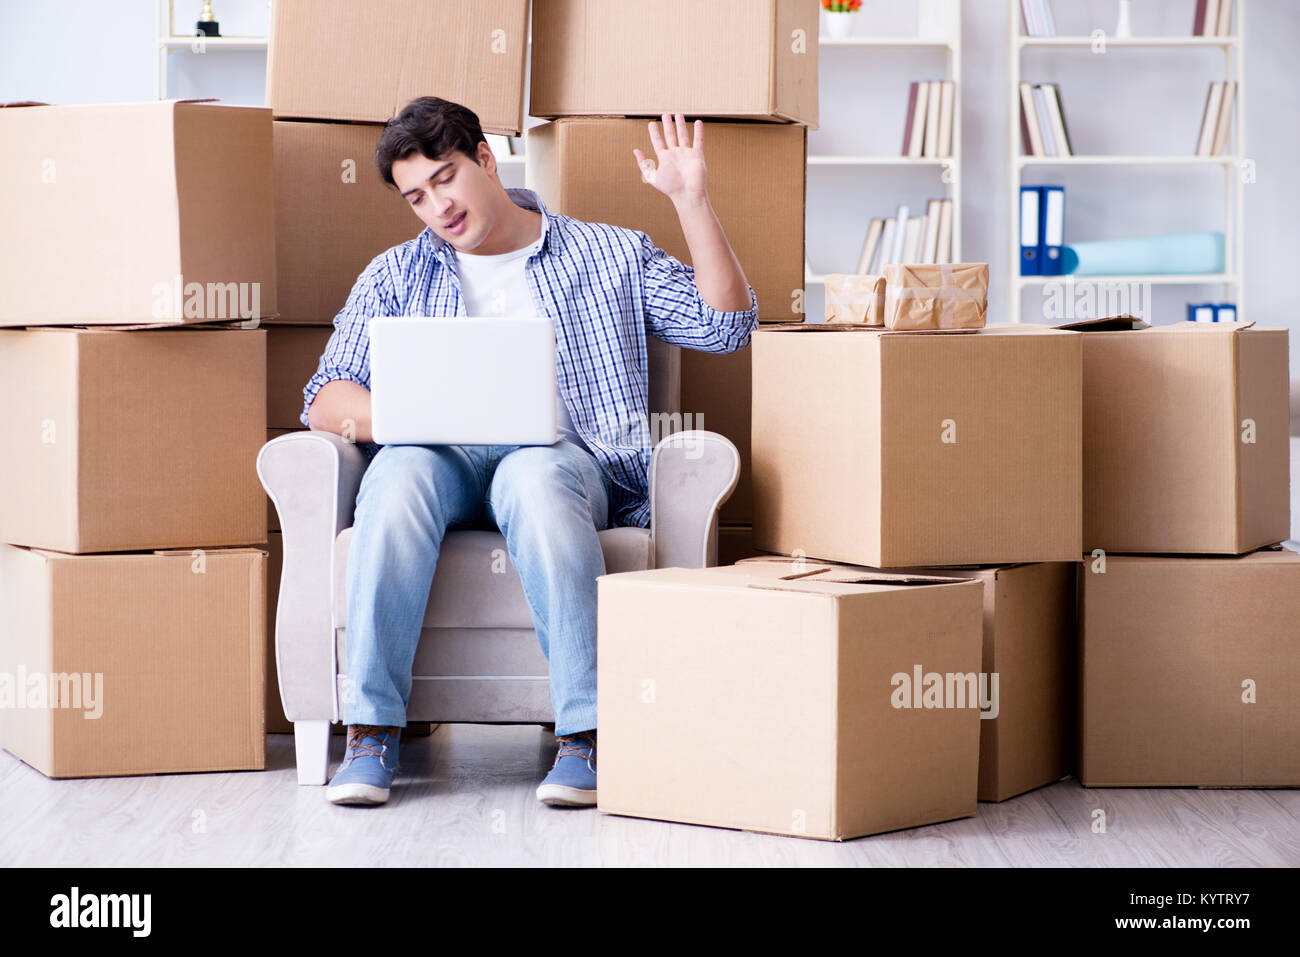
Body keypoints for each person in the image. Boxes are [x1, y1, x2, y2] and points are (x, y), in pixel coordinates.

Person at [301, 96, 757, 808]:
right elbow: (323, 398)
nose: (437, 207)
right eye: (416, 197)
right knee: (395, 475)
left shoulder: (608, 252)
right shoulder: (396, 273)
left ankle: (586, 737)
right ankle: (371, 733)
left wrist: (692, 203)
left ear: (486, 157)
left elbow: (725, 327)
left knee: (535, 476)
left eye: (445, 178)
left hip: (563, 458)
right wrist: (412, 415)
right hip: (438, 457)